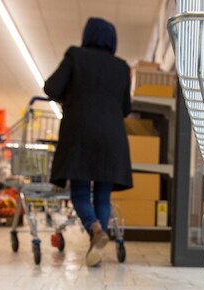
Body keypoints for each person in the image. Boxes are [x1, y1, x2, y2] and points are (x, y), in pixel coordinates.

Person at [44, 18, 132, 267]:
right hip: (111, 138)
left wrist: (72, 95)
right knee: (102, 197)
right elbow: (126, 107)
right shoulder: (122, 67)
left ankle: (95, 229)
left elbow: (52, 87)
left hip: (80, 133)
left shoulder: (76, 56)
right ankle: (97, 245)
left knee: (80, 191)